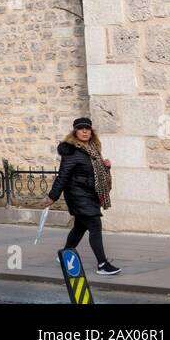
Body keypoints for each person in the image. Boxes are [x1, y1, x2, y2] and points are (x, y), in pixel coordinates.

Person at [44, 116, 120, 275]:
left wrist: (106, 167)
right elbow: (63, 176)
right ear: (75, 132)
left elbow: (94, 173)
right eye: (81, 128)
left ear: (91, 131)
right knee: (94, 225)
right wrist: (53, 196)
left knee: (80, 227)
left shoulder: (92, 149)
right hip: (77, 195)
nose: (85, 131)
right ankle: (102, 264)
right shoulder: (71, 151)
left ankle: (65, 254)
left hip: (89, 194)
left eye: (87, 128)